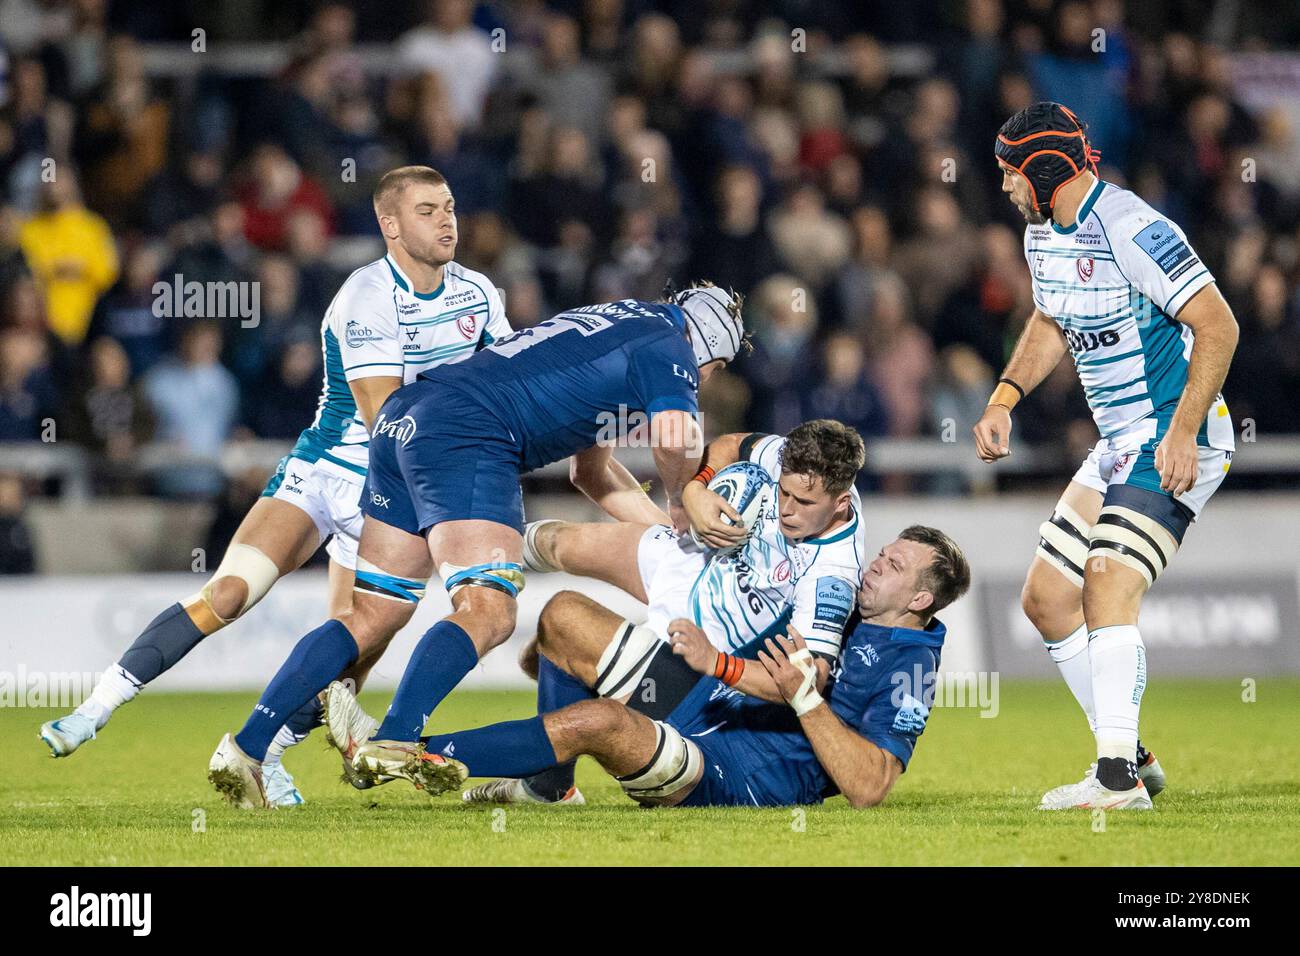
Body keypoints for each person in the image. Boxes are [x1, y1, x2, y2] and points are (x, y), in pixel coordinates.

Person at [39, 166, 509, 807]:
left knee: (352, 656)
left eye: (450, 206)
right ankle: (95, 708)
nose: (447, 219)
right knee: (228, 593)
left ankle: (267, 754)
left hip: (397, 491)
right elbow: (385, 419)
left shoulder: (479, 294)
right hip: (329, 474)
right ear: (389, 225)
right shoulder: (366, 295)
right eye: (428, 210)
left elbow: (510, 385)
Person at [207, 282, 747, 809]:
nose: (705, 380)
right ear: (707, 349)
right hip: (472, 434)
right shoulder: (669, 345)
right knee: (489, 611)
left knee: (373, 612)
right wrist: (685, 499)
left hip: (406, 419)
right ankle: (395, 738)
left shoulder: (620, 327)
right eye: (714, 369)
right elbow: (677, 438)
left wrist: (667, 539)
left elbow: (593, 473)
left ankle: (247, 748)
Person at [973, 102, 1239, 810]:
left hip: (1174, 431)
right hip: (1121, 440)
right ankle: (1134, 754)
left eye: (1009, 173)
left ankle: (1115, 779)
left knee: (1105, 584)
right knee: (1047, 598)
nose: (1003, 186)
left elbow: (1218, 323)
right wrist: (1004, 397)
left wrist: (1180, 432)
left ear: (1043, 170)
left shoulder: (1132, 227)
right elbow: (1051, 319)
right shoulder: (1041, 237)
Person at [321, 527, 969, 810]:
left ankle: (406, 753)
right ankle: (550, 786)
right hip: (707, 701)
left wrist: (805, 701)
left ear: (919, 600)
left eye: (895, 565)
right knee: (566, 614)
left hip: (739, 775)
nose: (876, 563)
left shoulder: (909, 664)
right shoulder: (835, 604)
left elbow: (871, 785)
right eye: (882, 552)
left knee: (600, 720)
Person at [460, 418, 867, 805]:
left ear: (841, 502)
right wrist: (696, 491)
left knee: (562, 637)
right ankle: (458, 554)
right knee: (553, 541)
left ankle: (539, 778)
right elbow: (728, 446)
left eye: (804, 502)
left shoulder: (833, 575)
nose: (786, 509)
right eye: (783, 493)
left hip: (696, 651)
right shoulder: (789, 455)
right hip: (698, 563)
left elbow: (809, 680)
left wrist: (719, 664)